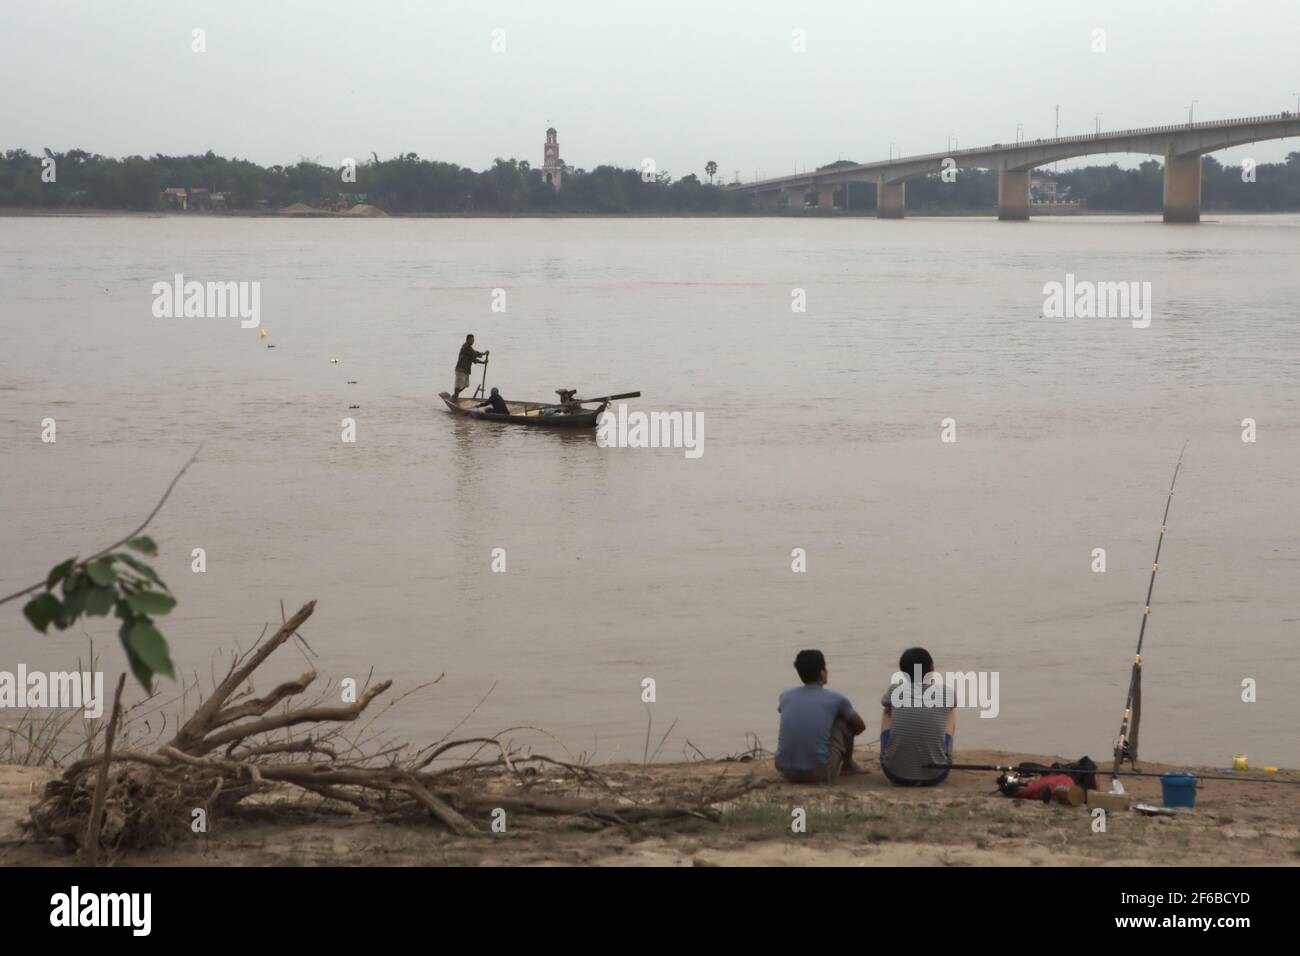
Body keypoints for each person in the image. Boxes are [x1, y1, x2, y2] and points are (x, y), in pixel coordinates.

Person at [775, 649, 867, 783]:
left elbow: (782, 710)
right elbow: (859, 726)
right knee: (843, 720)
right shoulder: (837, 699)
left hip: (785, 771)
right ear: (822, 672)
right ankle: (848, 765)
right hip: (821, 773)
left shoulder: (785, 696)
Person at [879, 646, 955, 787]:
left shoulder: (894, 689)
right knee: (950, 711)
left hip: (894, 774)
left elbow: (885, 703)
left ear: (903, 672)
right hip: (936, 775)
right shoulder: (945, 692)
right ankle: (943, 755)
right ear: (931, 668)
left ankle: (894, 755)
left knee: (887, 709)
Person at [452, 334, 488, 400]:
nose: (472, 342)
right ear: (467, 340)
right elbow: (474, 353)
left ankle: (454, 396)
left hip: (466, 370)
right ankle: (454, 398)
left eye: (473, 340)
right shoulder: (465, 347)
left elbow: (473, 359)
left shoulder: (469, 348)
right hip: (461, 370)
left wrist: (483, 362)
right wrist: (483, 353)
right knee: (459, 386)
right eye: (471, 340)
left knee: (465, 385)